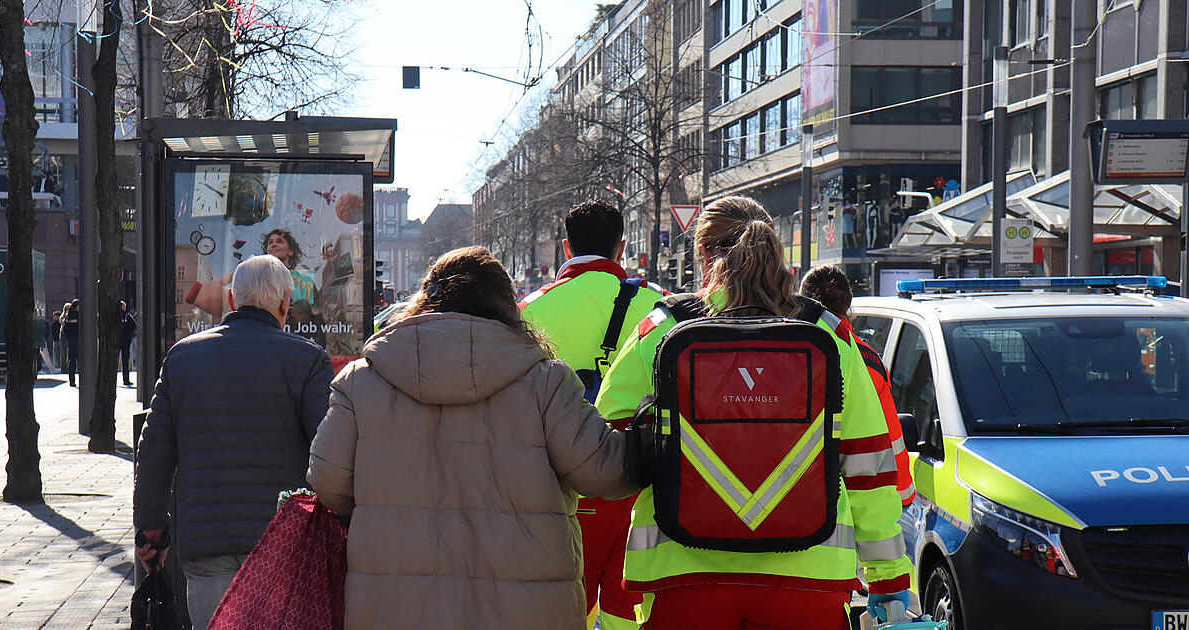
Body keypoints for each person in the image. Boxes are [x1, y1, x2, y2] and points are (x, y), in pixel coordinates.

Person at [595, 196, 911, 630]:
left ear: (702, 254)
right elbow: (869, 465)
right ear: (773, 246)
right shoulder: (829, 334)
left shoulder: (664, 328)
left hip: (682, 575)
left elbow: (608, 433)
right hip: (809, 577)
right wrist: (888, 577)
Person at [307, 246, 636, 630]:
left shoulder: (362, 381)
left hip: (396, 606)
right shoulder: (546, 382)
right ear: (506, 304)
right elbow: (604, 471)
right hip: (525, 609)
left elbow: (328, 480)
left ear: (425, 299)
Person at [134, 255, 335, 630]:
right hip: (284, 542)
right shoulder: (308, 360)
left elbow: (154, 453)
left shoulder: (183, 358)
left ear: (231, 300)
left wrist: (151, 528)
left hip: (208, 543)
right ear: (285, 303)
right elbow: (328, 450)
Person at [518, 200, 662, 630]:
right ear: (621, 247)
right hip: (640, 484)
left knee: (563, 607)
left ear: (567, 248)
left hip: (559, 488)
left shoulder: (529, 310)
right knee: (628, 610)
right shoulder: (661, 308)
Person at [801, 265, 915, 507]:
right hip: (853, 501)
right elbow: (889, 438)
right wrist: (904, 493)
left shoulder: (787, 355)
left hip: (796, 497)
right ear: (849, 304)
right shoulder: (870, 363)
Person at [118, 301, 137, 387]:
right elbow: (134, 326)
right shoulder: (127, 316)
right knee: (125, 361)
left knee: (114, 361)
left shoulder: (115, 317)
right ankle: (126, 380)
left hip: (117, 340)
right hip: (126, 341)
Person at [61, 300, 79, 387]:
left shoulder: (68, 316)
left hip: (70, 340)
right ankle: (83, 380)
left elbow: (64, 329)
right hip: (79, 340)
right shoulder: (80, 315)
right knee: (81, 361)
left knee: (71, 361)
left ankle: (72, 381)